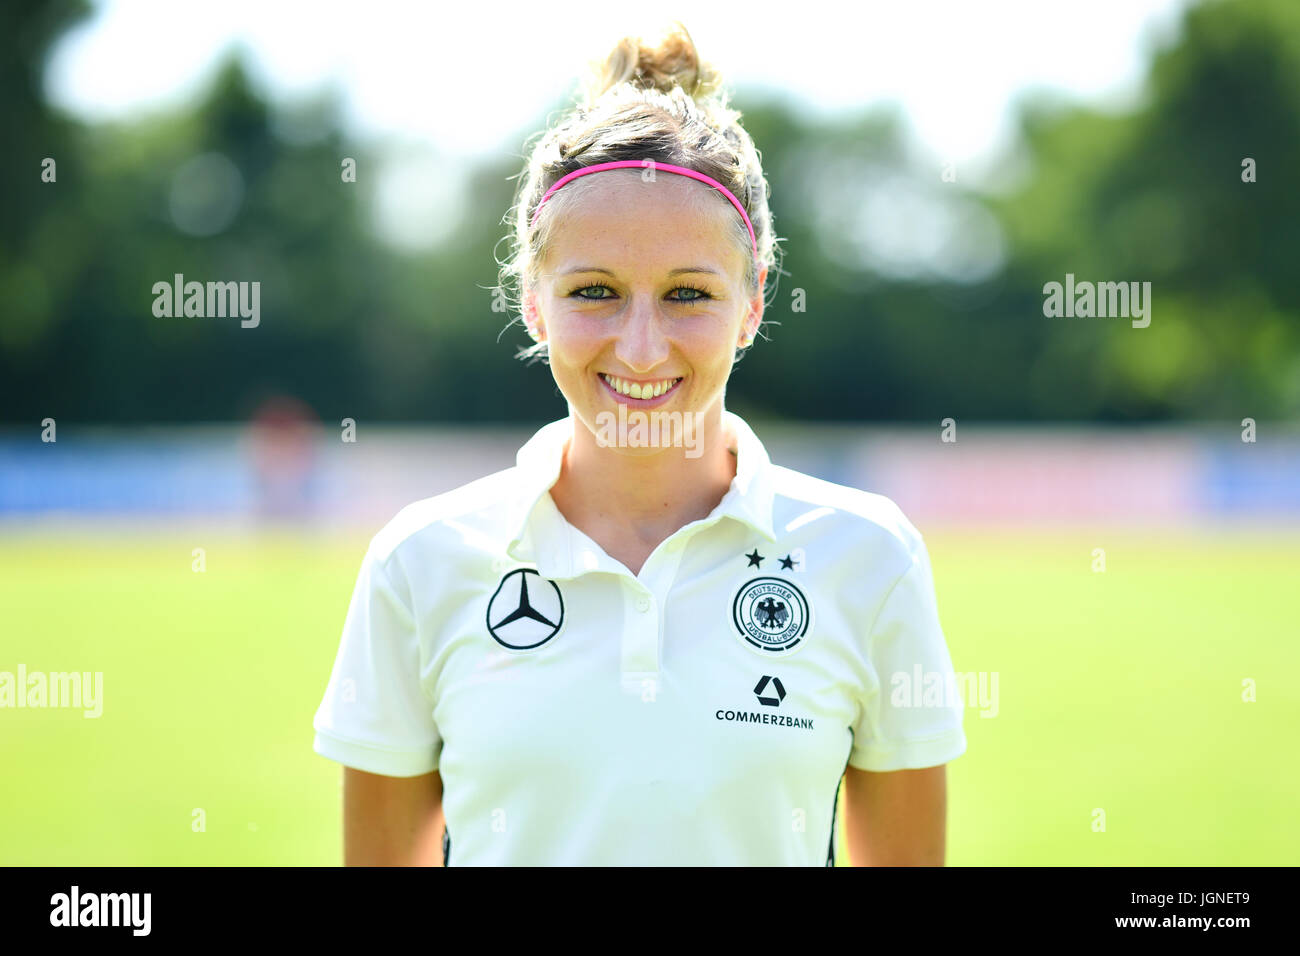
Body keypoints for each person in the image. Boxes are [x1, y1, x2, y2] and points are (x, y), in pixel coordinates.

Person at [312, 21, 966, 866]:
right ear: (534, 302)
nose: (643, 348)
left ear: (753, 303)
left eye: (688, 294)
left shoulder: (869, 558)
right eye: (596, 291)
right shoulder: (419, 563)